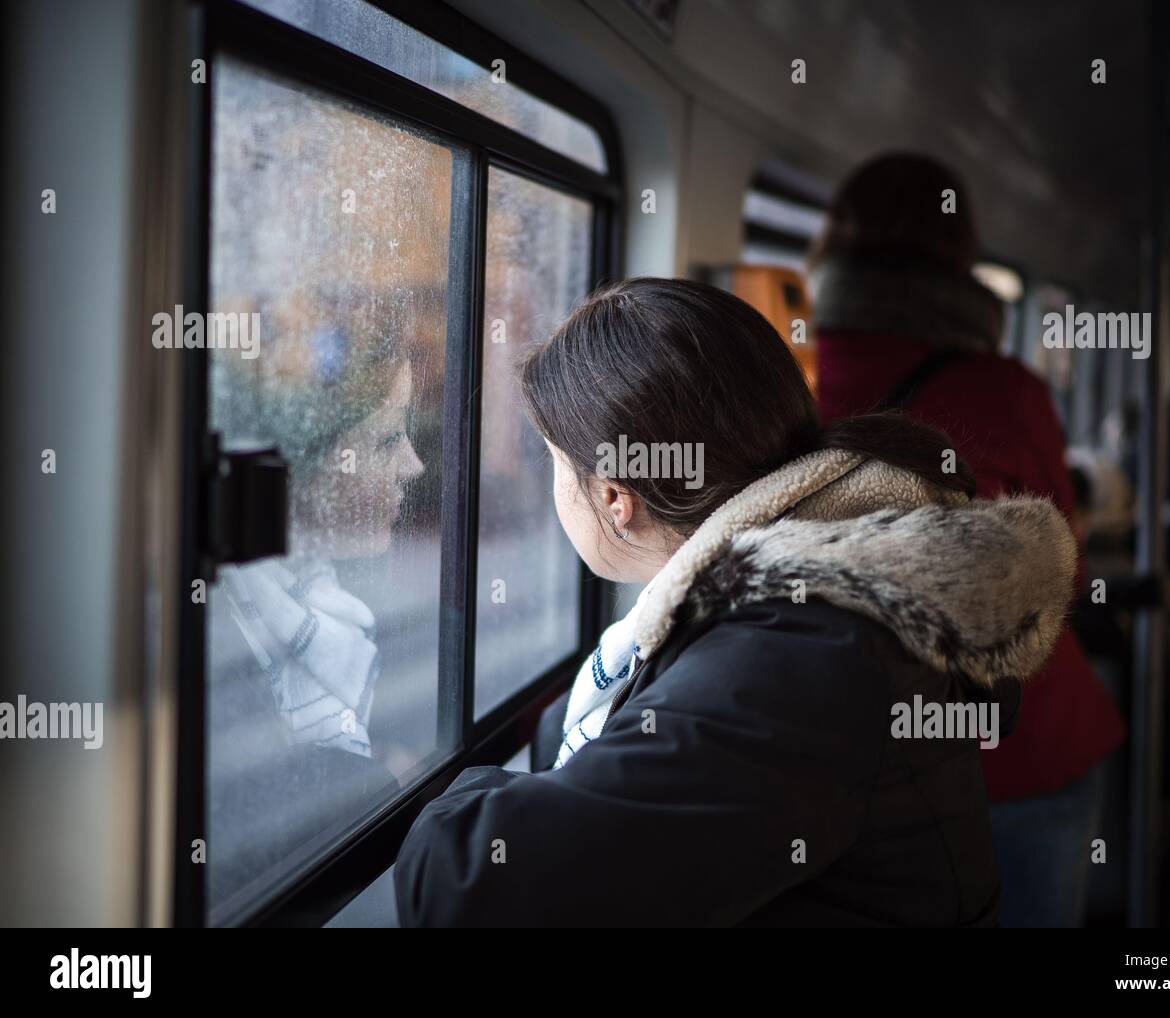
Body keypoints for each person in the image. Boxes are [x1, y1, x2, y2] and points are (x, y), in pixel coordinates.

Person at [394, 277, 1078, 927]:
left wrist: (435, 791)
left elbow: (474, 892)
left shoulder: (794, 654)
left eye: (553, 462)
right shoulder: (804, 593)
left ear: (613, 496)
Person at [808, 152, 1126, 926]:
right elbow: (1062, 572)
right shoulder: (1009, 390)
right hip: (1029, 746)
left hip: (855, 764)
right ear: (960, 256)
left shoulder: (791, 374)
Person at [207, 285, 426, 910]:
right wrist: (376, 781)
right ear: (294, 470)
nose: (413, 465)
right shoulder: (211, 635)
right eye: (387, 440)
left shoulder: (325, 598)